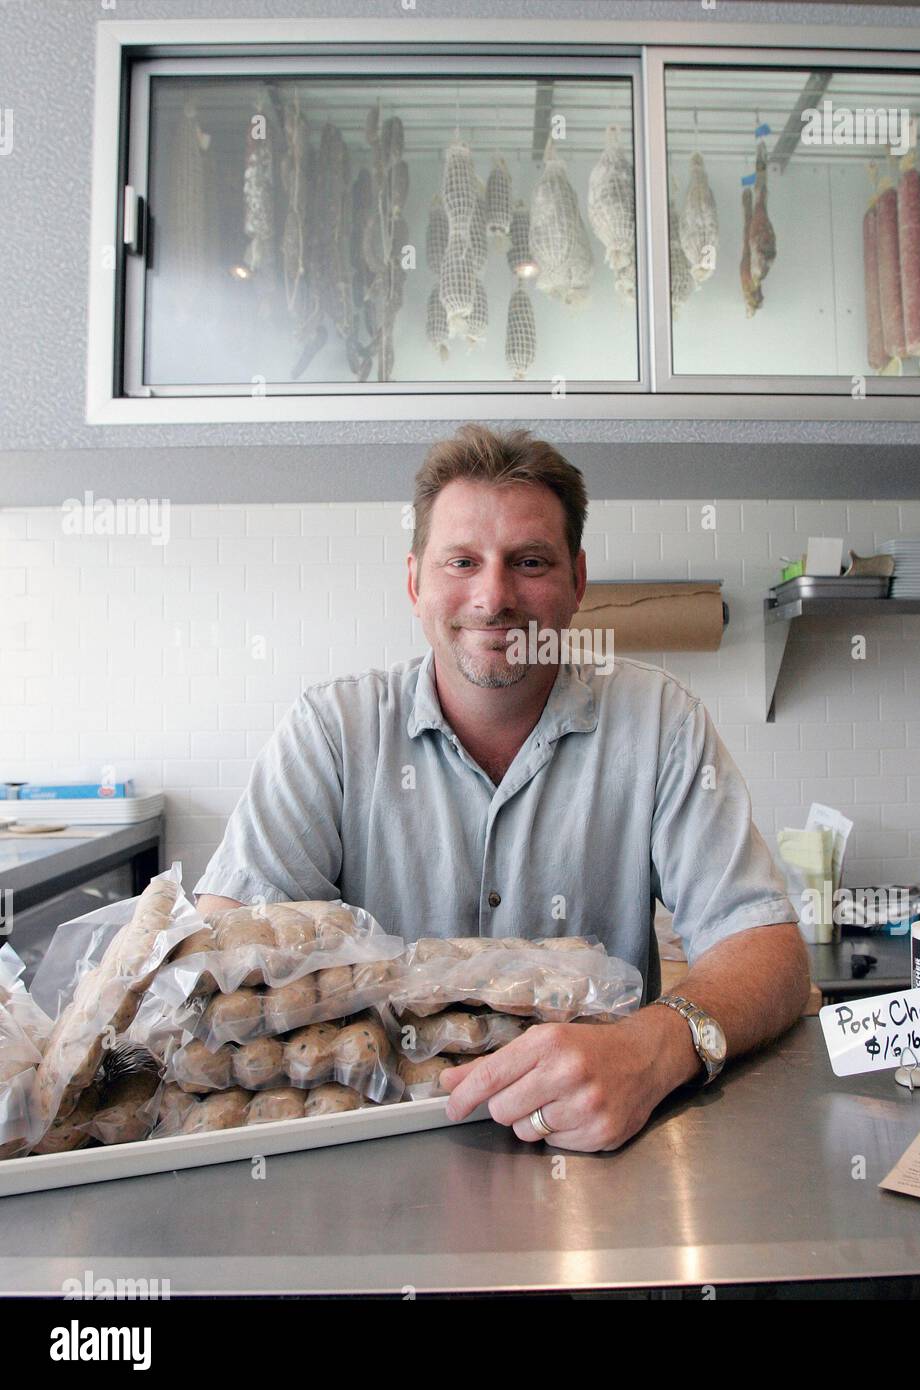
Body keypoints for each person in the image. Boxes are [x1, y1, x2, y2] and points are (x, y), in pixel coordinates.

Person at [195, 423, 809, 1151]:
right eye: (462, 561)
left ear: (577, 582)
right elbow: (229, 950)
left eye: (529, 562)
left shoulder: (659, 723)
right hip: (366, 1151)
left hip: (595, 1151)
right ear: (415, 581)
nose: (493, 597)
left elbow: (766, 950)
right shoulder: (332, 731)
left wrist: (656, 1044)